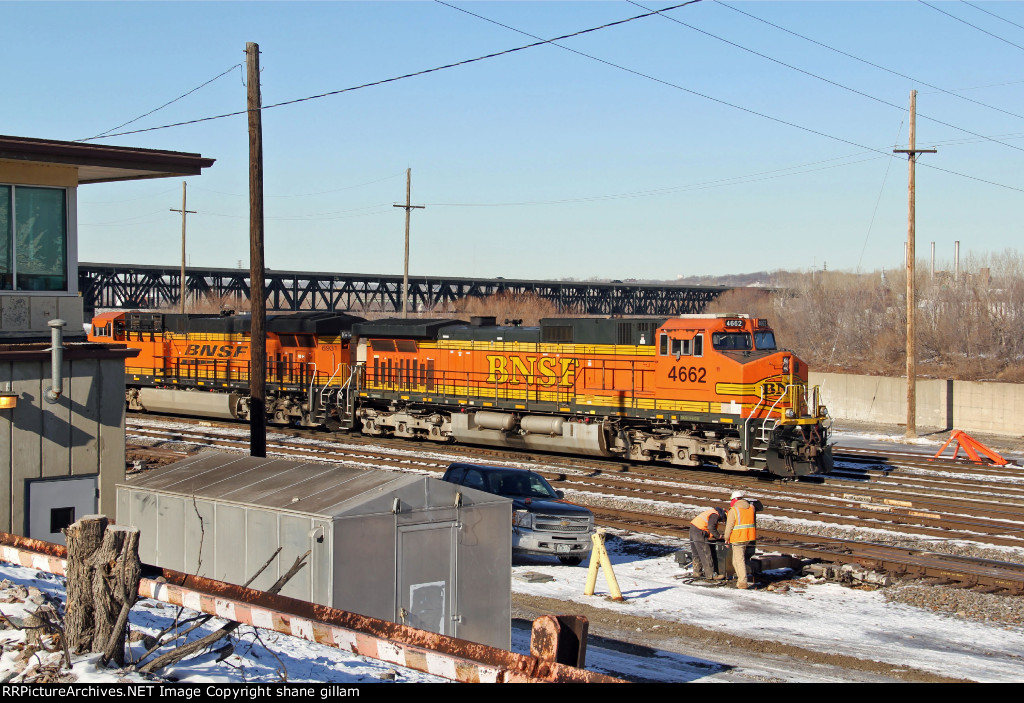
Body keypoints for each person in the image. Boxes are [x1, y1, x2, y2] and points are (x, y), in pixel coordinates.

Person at [723, 489, 758, 589]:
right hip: (748, 537)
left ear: (734, 499)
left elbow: (729, 526)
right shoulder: (751, 508)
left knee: (739, 560)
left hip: (738, 537)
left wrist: (726, 538)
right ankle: (740, 580)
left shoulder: (733, 510)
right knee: (735, 560)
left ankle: (743, 582)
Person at [689, 507, 726, 580]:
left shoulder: (711, 511)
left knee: (696, 553)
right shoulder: (715, 515)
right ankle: (711, 575)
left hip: (693, 529)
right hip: (699, 532)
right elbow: (711, 527)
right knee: (706, 553)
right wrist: (718, 536)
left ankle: (697, 572)